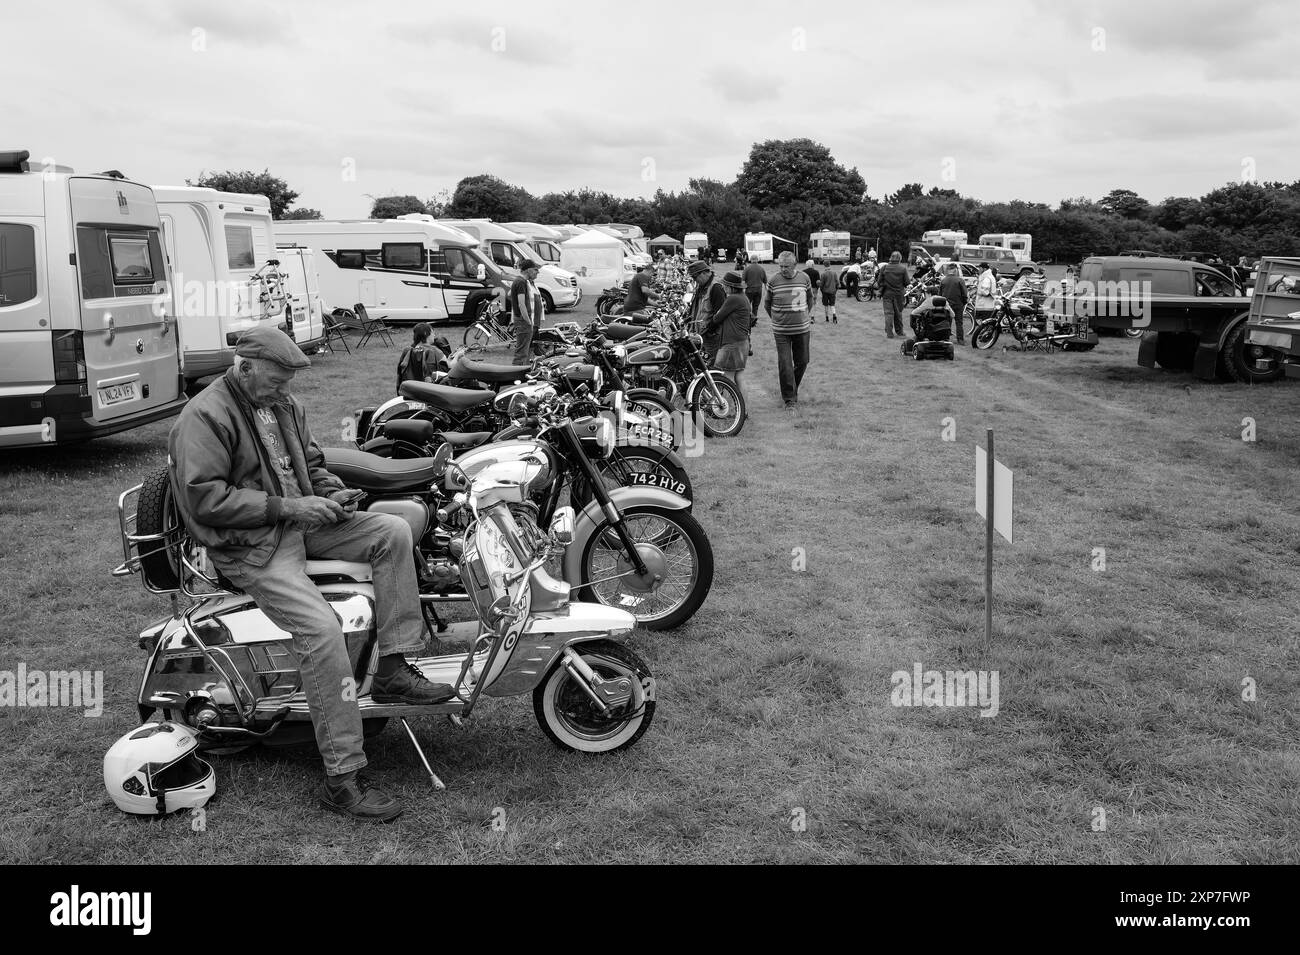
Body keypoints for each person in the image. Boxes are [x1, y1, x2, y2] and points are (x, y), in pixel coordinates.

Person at [168, 326, 454, 823]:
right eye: (276, 381)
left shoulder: (284, 405)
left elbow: (313, 464)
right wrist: (289, 506)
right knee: (322, 632)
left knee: (393, 529)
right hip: (252, 545)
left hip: (297, 523)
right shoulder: (205, 416)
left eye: (287, 382)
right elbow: (203, 498)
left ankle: (392, 668)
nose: (284, 391)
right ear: (246, 366)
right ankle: (342, 778)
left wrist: (329, 491)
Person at [764, 251, 813, 408]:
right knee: (785, 364)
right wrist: (777, 319)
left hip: (802, 329)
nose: (783, 269)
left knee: (803, 361)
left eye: (786, 266)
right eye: (781, 266)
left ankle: (792, 388)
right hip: (781, 331)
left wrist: (804, 314)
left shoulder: (804, 278)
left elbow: (810, 298)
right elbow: (767, 304)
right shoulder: (773, 281)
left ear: (794, 265)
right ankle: (789, 399)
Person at [705, 271, 752, 406]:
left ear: (731, 287)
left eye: (725, 285)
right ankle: (744, 410)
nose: (723, 287)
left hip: (732, 343)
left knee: (726, 379)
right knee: (739, 377)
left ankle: (728, 411)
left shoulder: (733, 299)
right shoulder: (743, 297)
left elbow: (717, 317)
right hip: (742, 342)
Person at [684, 258, 728, 363]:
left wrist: (710, 330)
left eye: (695, 277)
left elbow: (720, 314)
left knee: (708, 366)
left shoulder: (716, 287)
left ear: (704, 273)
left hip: (711, 337)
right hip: (701, 335)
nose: (695, 280)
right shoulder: (703, 285)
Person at [510, 259, 544, 365]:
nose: (537, 272)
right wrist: (528, 321)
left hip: (523, 321)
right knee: (521, 353)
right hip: (523, 321)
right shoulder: (521, 282)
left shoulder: (522, 282)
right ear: (528, 270)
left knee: (524, 352)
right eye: (535, 270)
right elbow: (521, 304)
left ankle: (521, 374)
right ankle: (515, 376)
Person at [395, 323, 448, 392]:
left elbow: (399, 373)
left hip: (409, 389)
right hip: (429, 390)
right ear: (426, 333)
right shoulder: (434, 350)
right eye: (432, 333)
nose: (434, 335)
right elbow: (449, 365)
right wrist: (457, 356)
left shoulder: (407, 350)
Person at [878, 251, 910, 338]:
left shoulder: (884, 268)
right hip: (899, 294)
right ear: (900, 258)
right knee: (898, 313)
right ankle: (900, 332)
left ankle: (889, 333)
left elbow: (879, 281)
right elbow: (907, 282)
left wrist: (882, 288)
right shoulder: (903, 268)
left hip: (887, 294)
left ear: (891, 258)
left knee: (888, 314)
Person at [939, 263, 969, 344]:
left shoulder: (943, 280)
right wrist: (964, 302)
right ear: (955, 270)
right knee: (959, 322)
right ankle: (960, 339)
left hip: (946, 304)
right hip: (958, 304)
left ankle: (946, 338)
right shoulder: (960, 280)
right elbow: (964, 293)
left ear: (948, 270)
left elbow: (940, 294)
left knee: (947, 322)